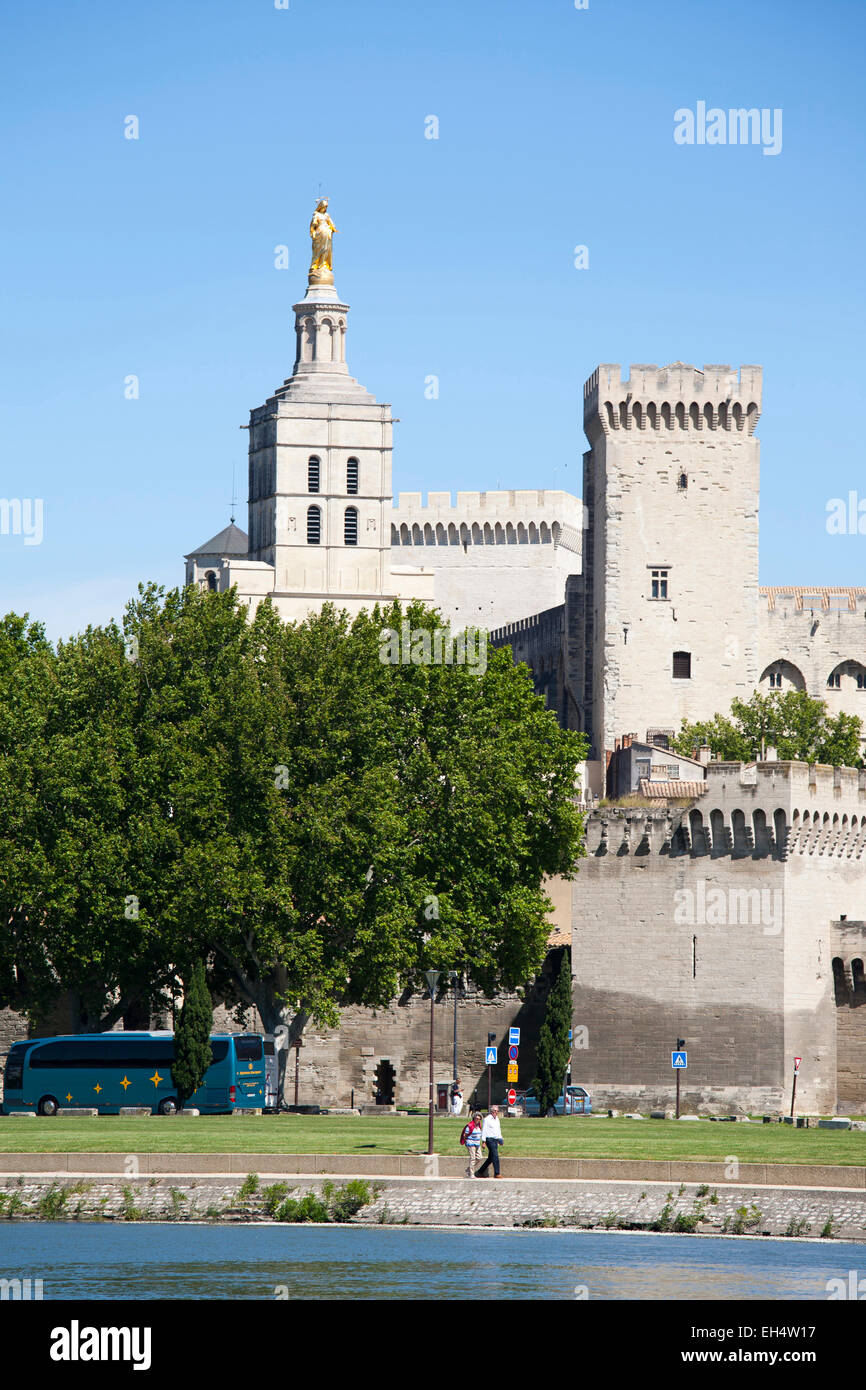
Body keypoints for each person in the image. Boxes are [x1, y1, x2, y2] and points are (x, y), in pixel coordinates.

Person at [475, 1104, 504, 1178]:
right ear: (491, 1111)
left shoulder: (497, 1119)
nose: (496, 1112)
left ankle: (479, 1172)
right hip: (489, 1140)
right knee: (495, 1155)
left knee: (491, 1158)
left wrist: (500, 1138)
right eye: (494, 1111)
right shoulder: (487, 1119)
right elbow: (484, 1131)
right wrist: (483, 1142)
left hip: (495, 1140)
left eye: (497, 1111)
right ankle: (497, 1173)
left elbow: (498, 1130)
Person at [461, 1111, 483, 1178]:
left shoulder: (479, 1126)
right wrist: (467, 1141)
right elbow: (465, 1135)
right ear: (474, 1118)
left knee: (479, 1158)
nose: (478, 1120)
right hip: (470, 1143)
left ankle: (469, 1169)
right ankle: (471, 1174)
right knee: (472, 1158)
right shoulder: (470, 1125)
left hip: (477, 1143)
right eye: (476, 1118)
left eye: (479, 1119)